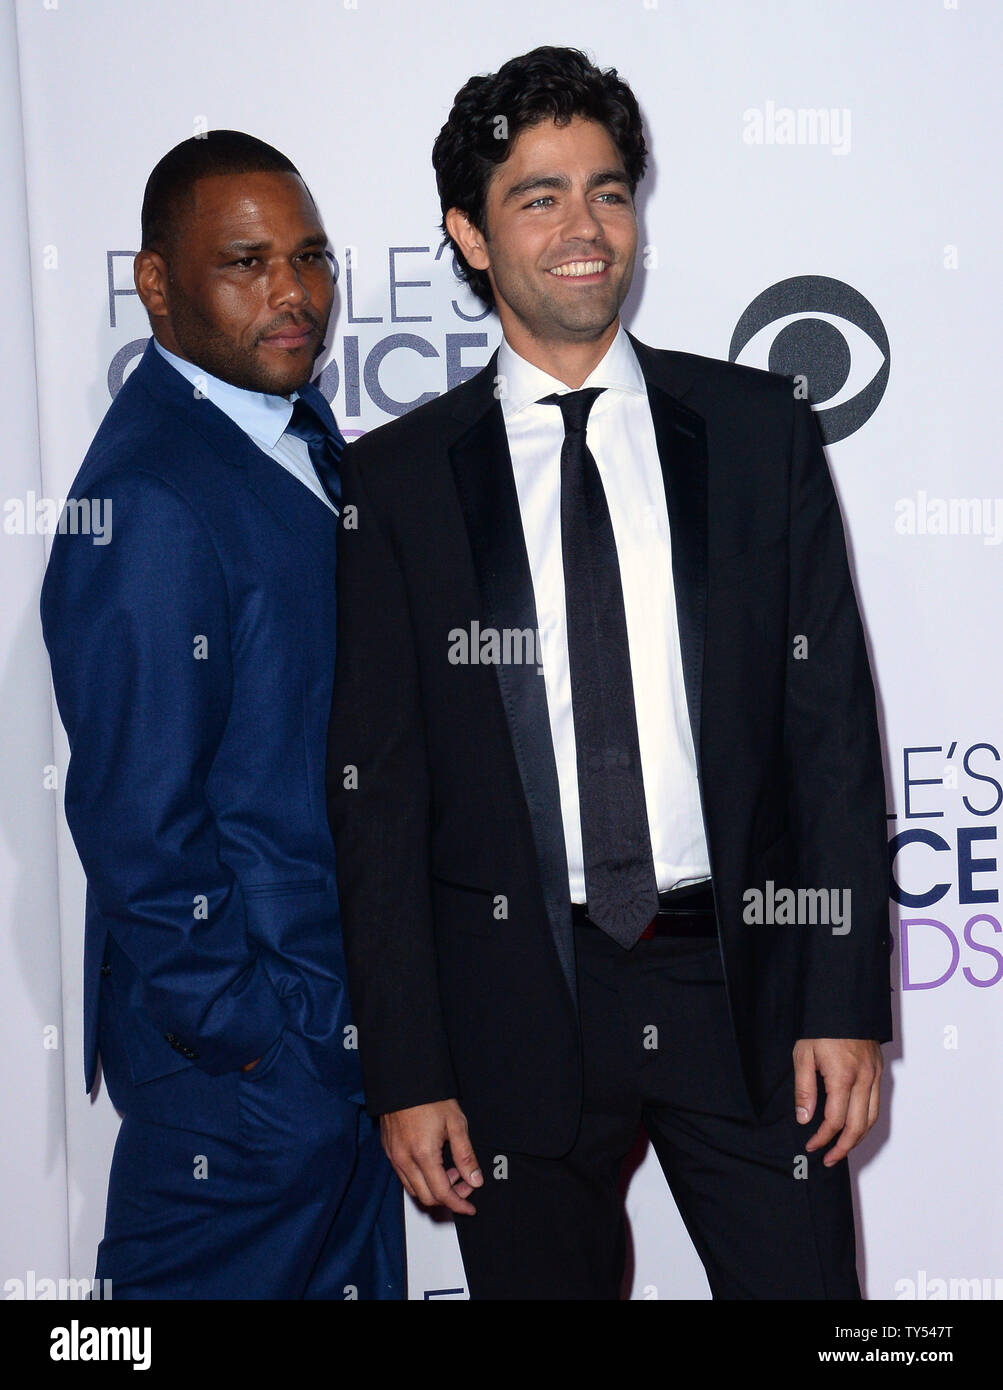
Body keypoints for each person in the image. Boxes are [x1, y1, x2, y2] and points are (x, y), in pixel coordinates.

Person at [327, 47, 892, 1300]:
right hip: (512, 1004)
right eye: (537, 197)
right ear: (468, 236)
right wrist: (407, 1068)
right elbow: (376, 800)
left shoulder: (756, 432)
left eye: (608, 189)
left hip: (740, 985)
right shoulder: (399, 485)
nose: (584, 228)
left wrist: (846, 996)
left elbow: (832, 742)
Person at [41, 130, 403, 1299]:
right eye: (247, 263)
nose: (293, 295)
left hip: (332, 1039)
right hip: (249, 1077)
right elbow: (134, 817)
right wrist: (255, 1032)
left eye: (310, 259)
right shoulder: (150, 495)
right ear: (157, 284)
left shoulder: (288, 431)